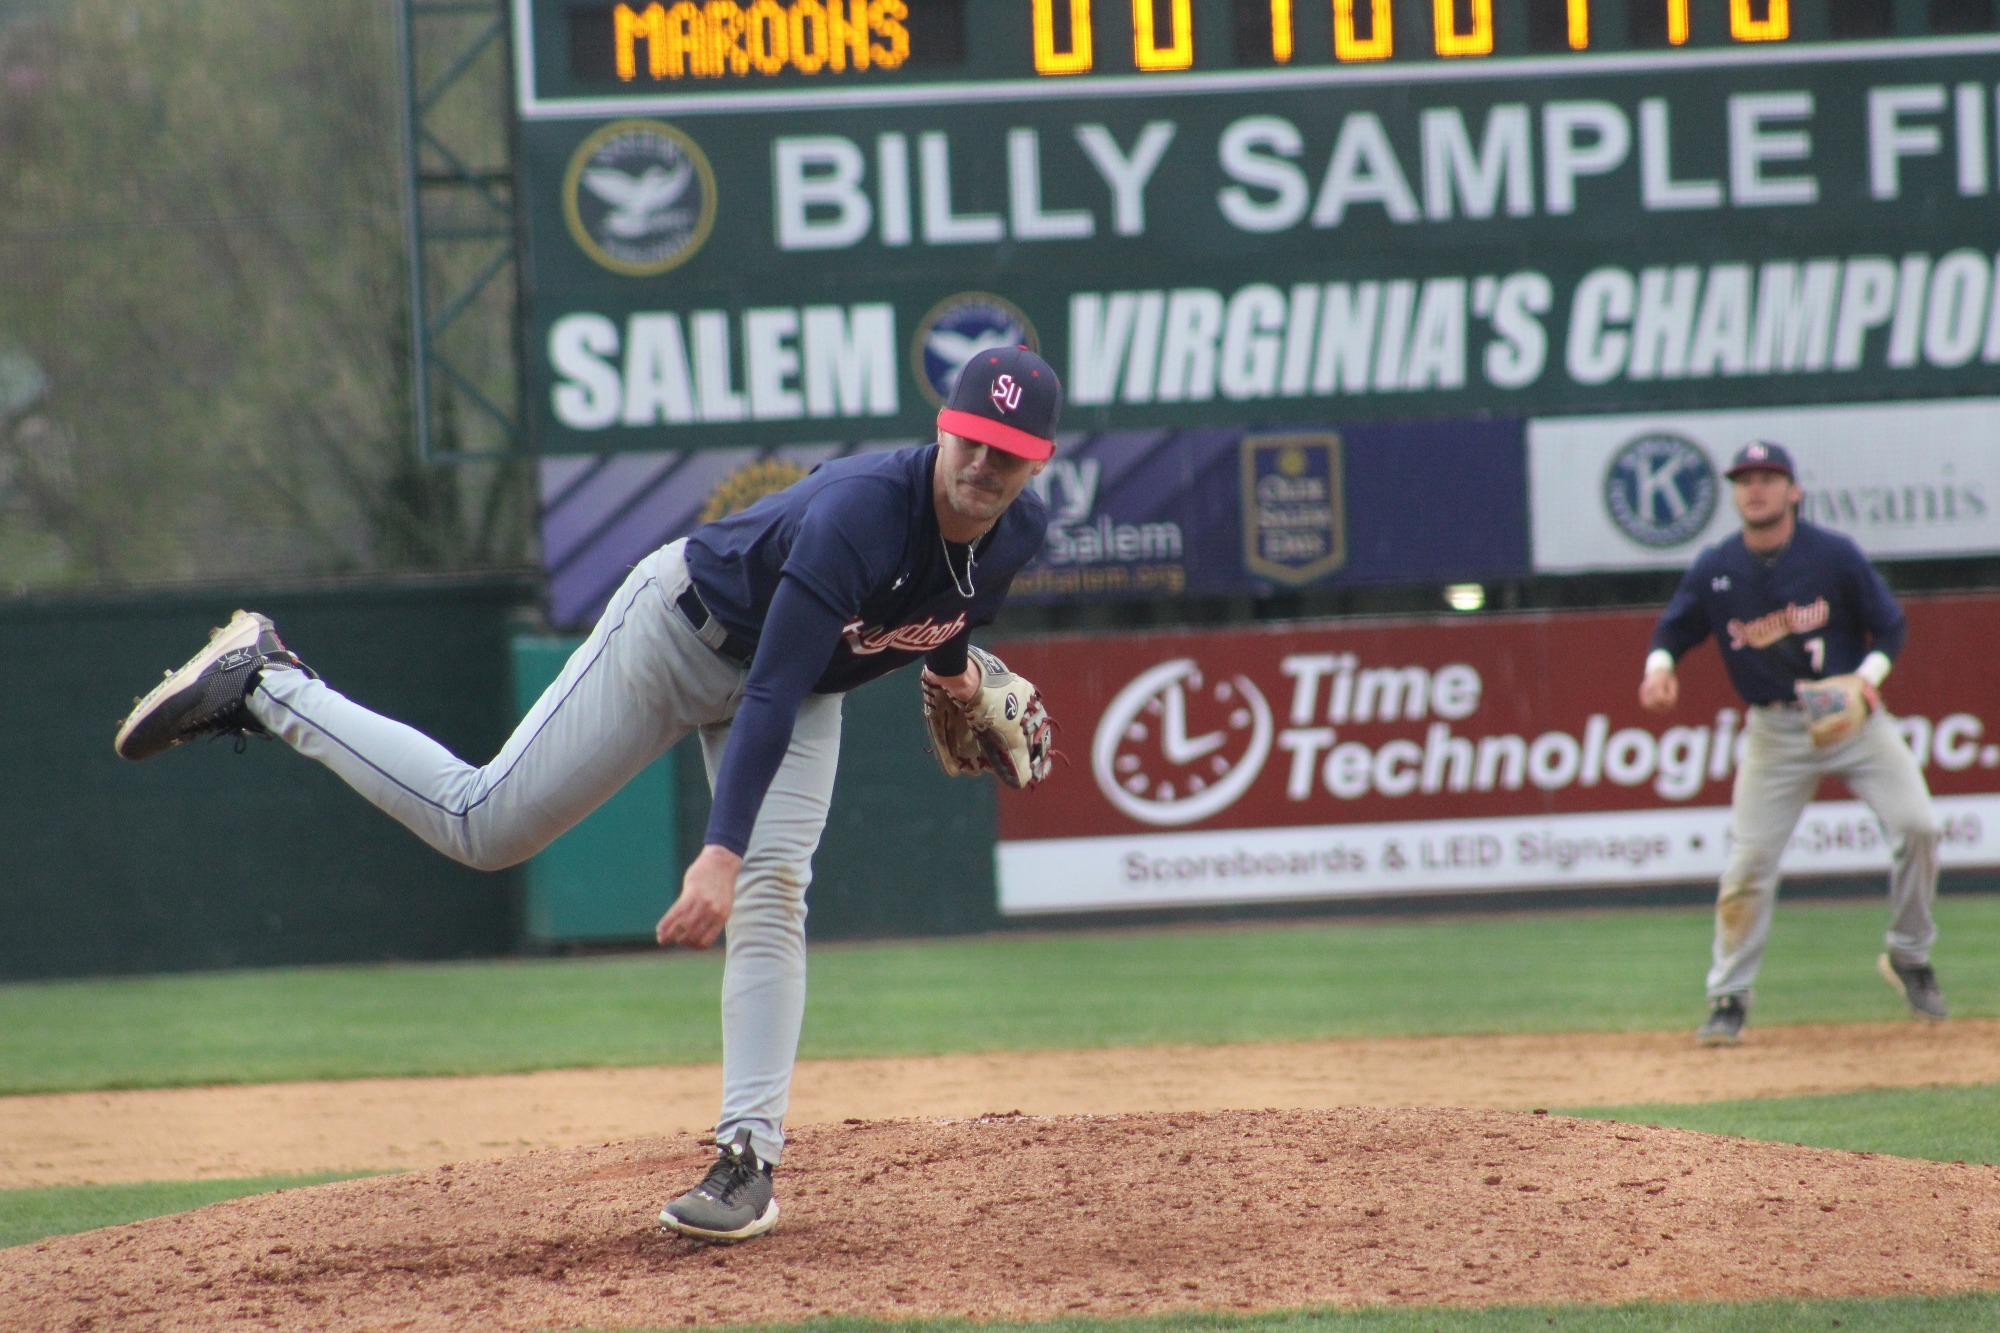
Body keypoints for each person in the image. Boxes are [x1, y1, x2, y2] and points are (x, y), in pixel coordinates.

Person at [113, 344, 1060, 1243]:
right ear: (943, 427)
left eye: (1008, 451)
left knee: (779, 896)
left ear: (1037, 462)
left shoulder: (1018, 530)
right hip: (681, 636)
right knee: (481, 824)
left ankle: (746, 1161)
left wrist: (957, 681)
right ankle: (265, 681)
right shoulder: (863, 508)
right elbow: (768, 686)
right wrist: (718, 853)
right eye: (972, 435)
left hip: (802, 684)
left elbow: (950, 604)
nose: (984, 461)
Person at [1638, 441, 1944, 1047]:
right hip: (1775, 733)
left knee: (1920, 827)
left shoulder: (1832, 555)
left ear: (1793, 491)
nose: (1756, 488)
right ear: (1734, 492)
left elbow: (1890, 625)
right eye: (1745, 478)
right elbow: (1675, 626)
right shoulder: (1717, 566)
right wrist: (1659, 664)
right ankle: (1728, 998)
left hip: (1850, 717)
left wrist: (1867, 679)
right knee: (1748, 864)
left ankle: (1910, 955)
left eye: (1769, 477)